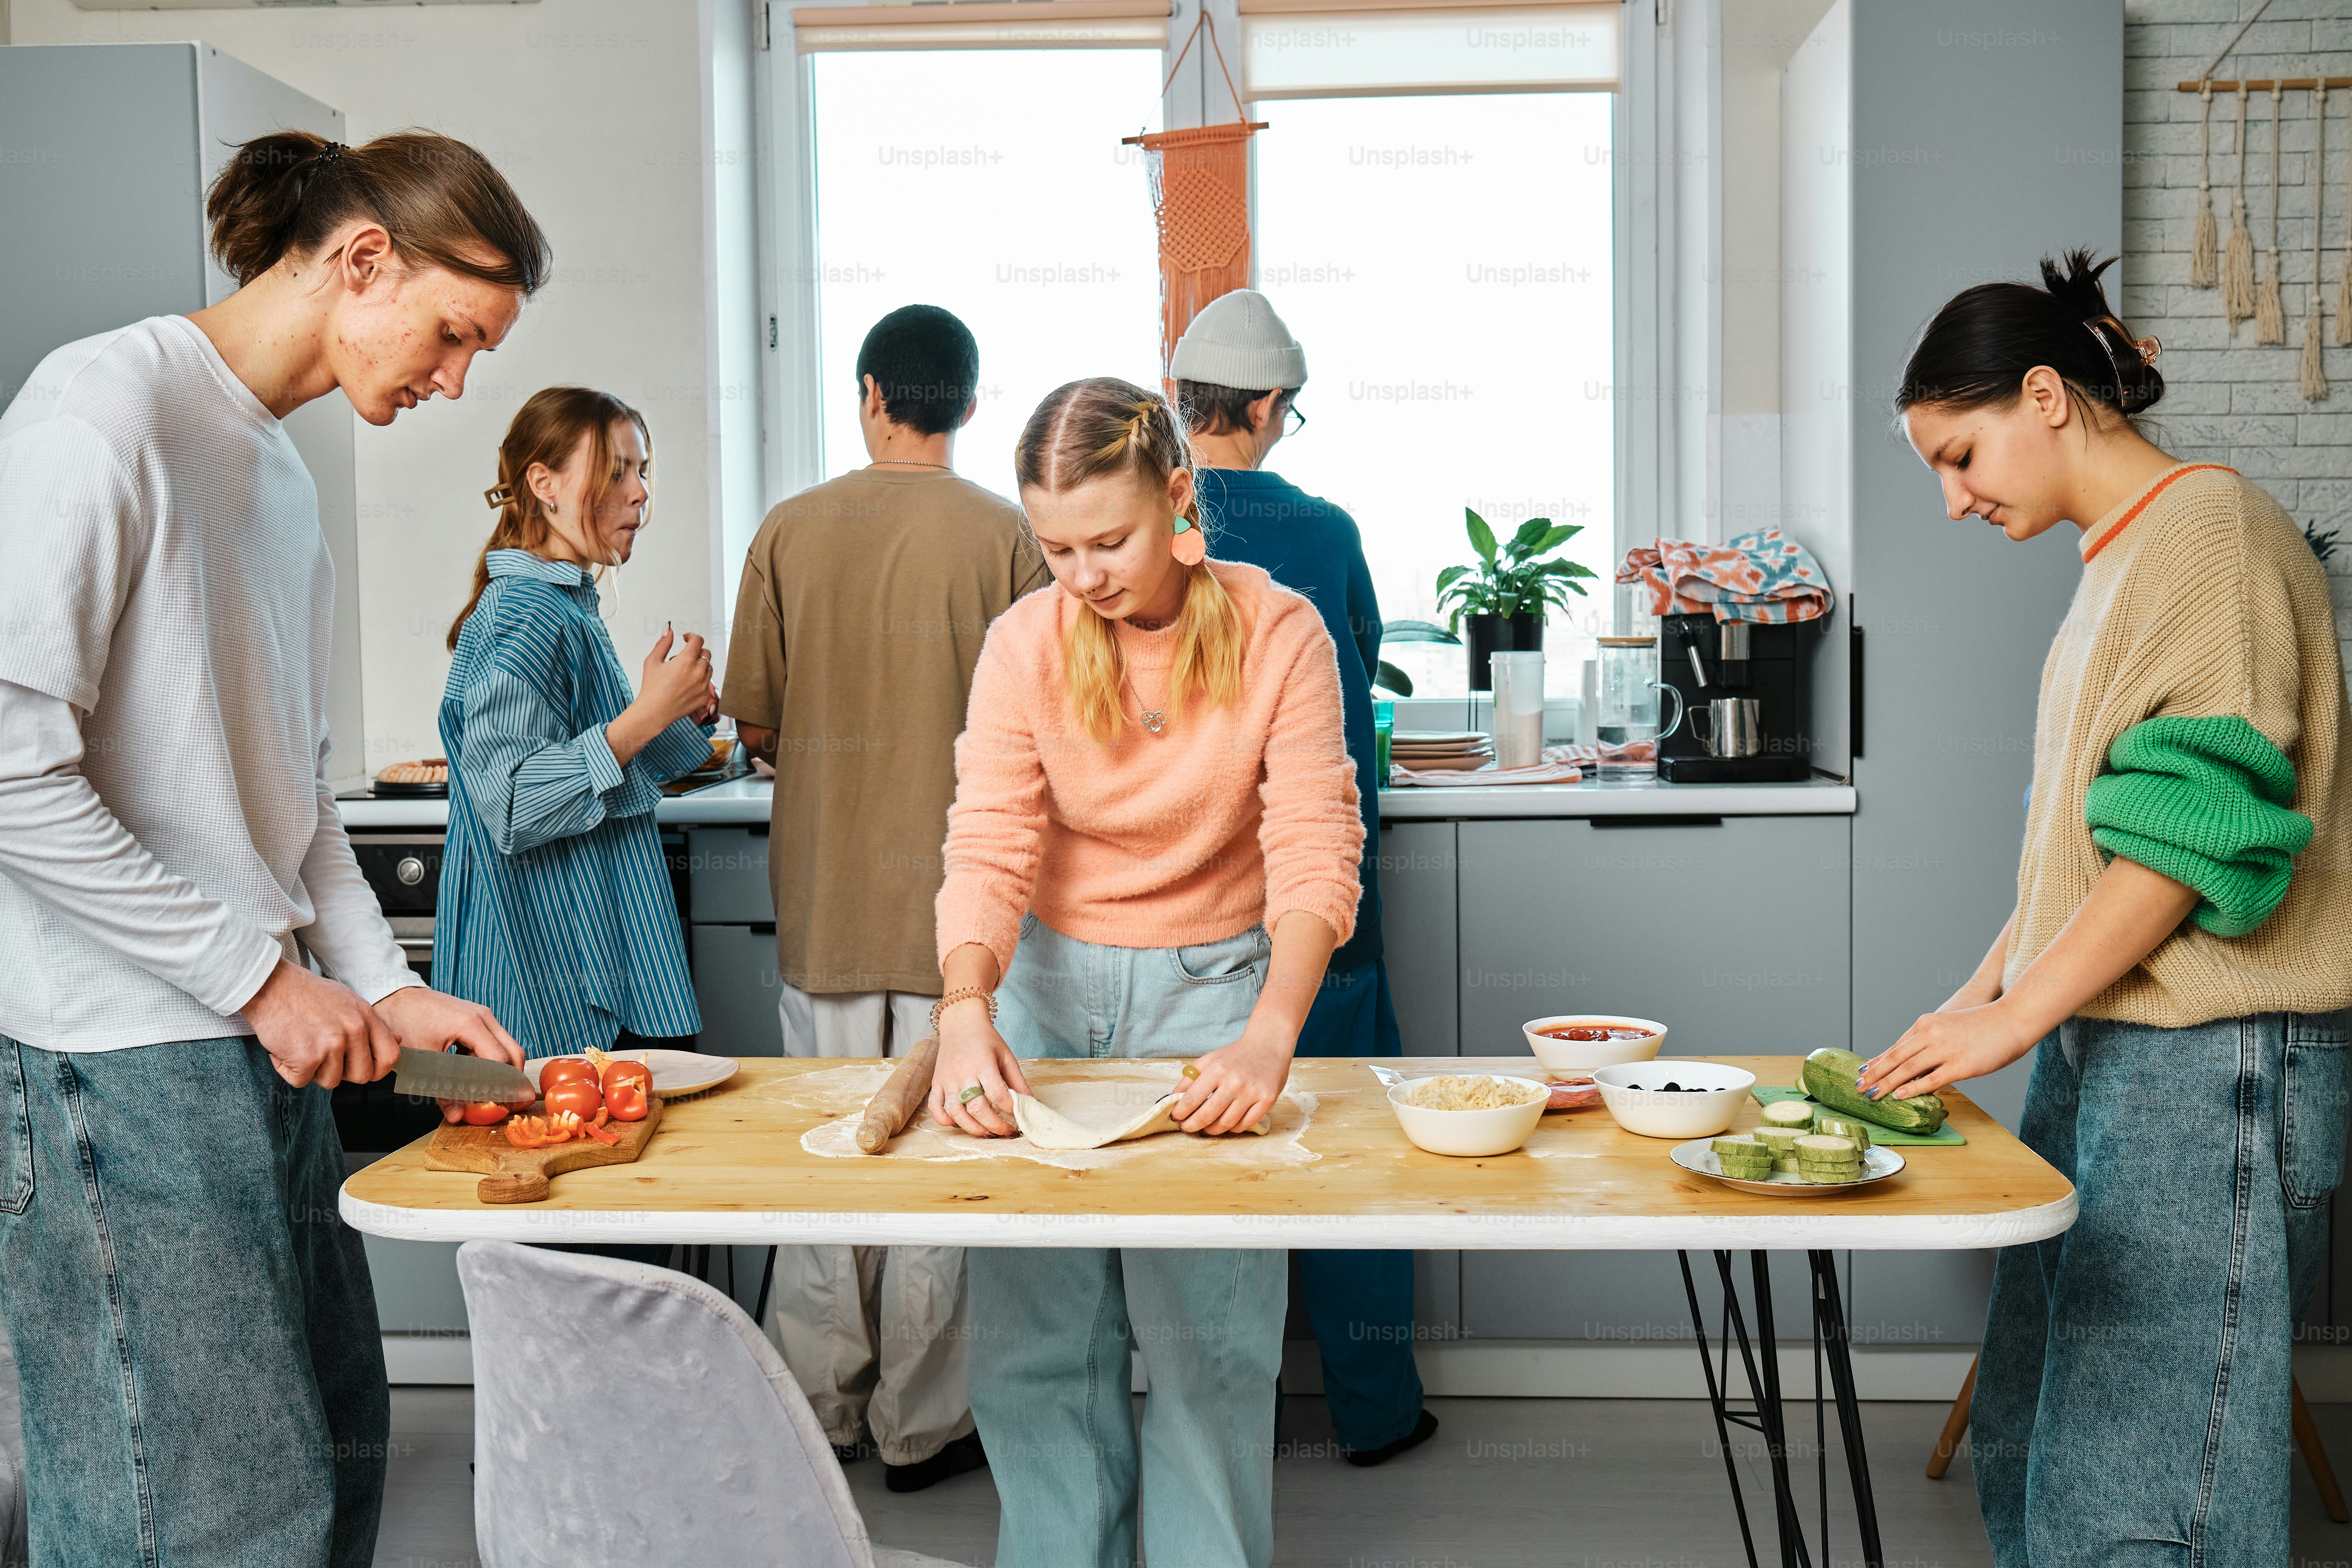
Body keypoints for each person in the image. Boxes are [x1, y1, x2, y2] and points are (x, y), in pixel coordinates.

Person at [0, 130, 541, 1566]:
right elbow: (8, 772)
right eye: (452, 333)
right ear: (363, 260)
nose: (456, 380)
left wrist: (379, 987)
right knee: (206, 1531)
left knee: (317, 1503)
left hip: (262, 1053)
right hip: (120, 1068)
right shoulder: (101, 410)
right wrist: (260, 980)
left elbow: (290, 802)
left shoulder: (280, 480)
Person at [1872, 250, 2352, 1567]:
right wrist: (1976, 1003)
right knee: (2046, 1427)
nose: (1954, 500)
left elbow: (2200, 838)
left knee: (2144, 1482)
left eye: (1960, 457)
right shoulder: (2121, 554)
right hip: (2124, 1041)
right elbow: (2093, 848)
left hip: (2213, 1059)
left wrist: (2018, 1013)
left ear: (2046, 396)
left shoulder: (2211, 533)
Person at [930, 376, 1365, 1568]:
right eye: (1055, 547)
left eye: (1110, 539)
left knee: (1211, 1351)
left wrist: (1273, 1031)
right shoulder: (1024, 644)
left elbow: (1316, 845)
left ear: (1179, 495)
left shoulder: (1280, 633)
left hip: (1217, 998)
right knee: (1036, 1349)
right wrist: (966, 1008)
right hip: (1046, 1000)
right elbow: (991, 838)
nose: (1084, 576)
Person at [722, 305, 1046, 1491]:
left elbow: (754, 721)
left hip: (828, 903)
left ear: (870, 393)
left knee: (828, 1160)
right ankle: (923, 1425)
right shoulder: (1009, 537)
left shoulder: (791, 530)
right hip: (968, 916)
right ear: (966, 402)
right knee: (945, 1162)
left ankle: (822, 1414)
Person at [1173, 289, 1433, 1467]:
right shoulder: (1323, 535)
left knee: (1202, 1159)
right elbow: (1362, 669)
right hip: (1318, 912)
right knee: (1352, 1153)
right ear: (1270, 404)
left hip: (1181, 912)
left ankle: (1211, 1423)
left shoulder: (1153, 525)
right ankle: (1375, 1412)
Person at [435, 386, 717, 1064]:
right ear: (544, 485)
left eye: (642, 471)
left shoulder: (566, 606)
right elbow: (510, 804)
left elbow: (610, 772)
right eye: (617, 469)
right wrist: (645, 716)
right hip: (544, 977)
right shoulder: (526, 613)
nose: (640, 492)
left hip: (578, 956)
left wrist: (675, 710)